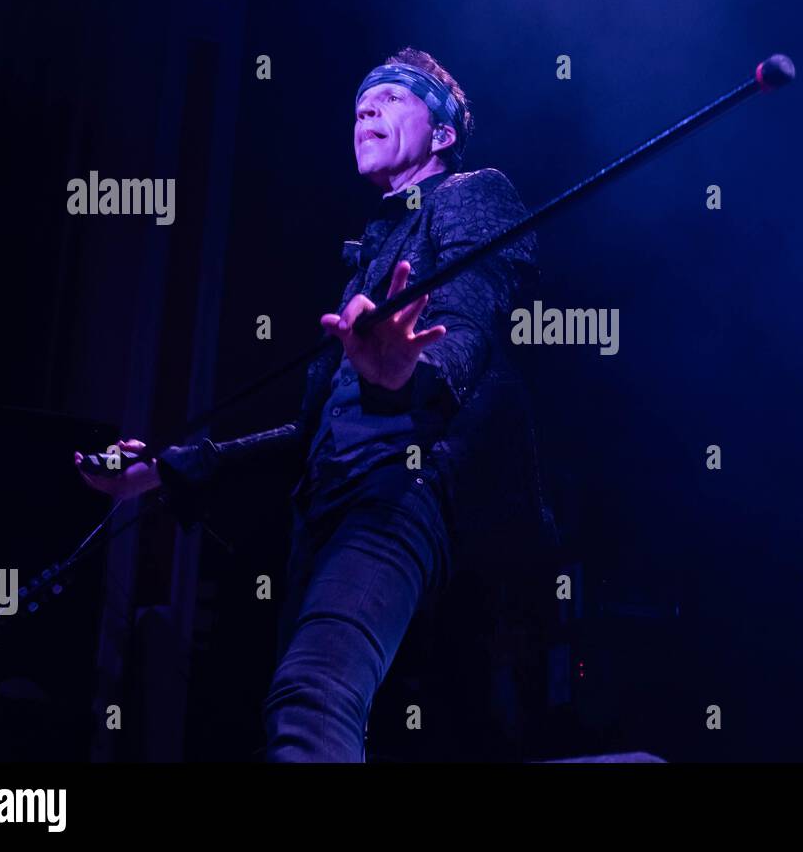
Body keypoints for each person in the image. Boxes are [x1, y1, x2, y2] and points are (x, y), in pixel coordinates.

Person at [76, 47, 548, 761]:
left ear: (444, 135)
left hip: (404, 488)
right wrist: (163, 471)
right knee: (308, 712)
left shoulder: (472, 193)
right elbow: (310, 434)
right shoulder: (371, 255)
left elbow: (469, 315)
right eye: (361, 100)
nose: (366, 108)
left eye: (392, 97)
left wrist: (409, 376)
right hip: (331, 507)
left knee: (313, 696)